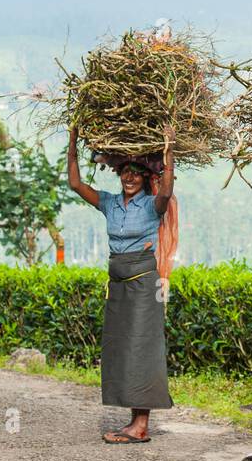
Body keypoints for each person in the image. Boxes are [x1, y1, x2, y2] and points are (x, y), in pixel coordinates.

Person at [67, 124, 175, 444]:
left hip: (143, 283)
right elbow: (75, 183)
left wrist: (168, 149)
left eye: (136, 173)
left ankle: (140, 425)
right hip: (118, 283)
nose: (129, 178)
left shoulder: (152, 205)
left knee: (142, 348)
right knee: (122, 349)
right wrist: (72, 140)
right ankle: (133, 421)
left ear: (145, 177)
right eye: (124, 172)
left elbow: (166, 191)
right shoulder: (109, 203)